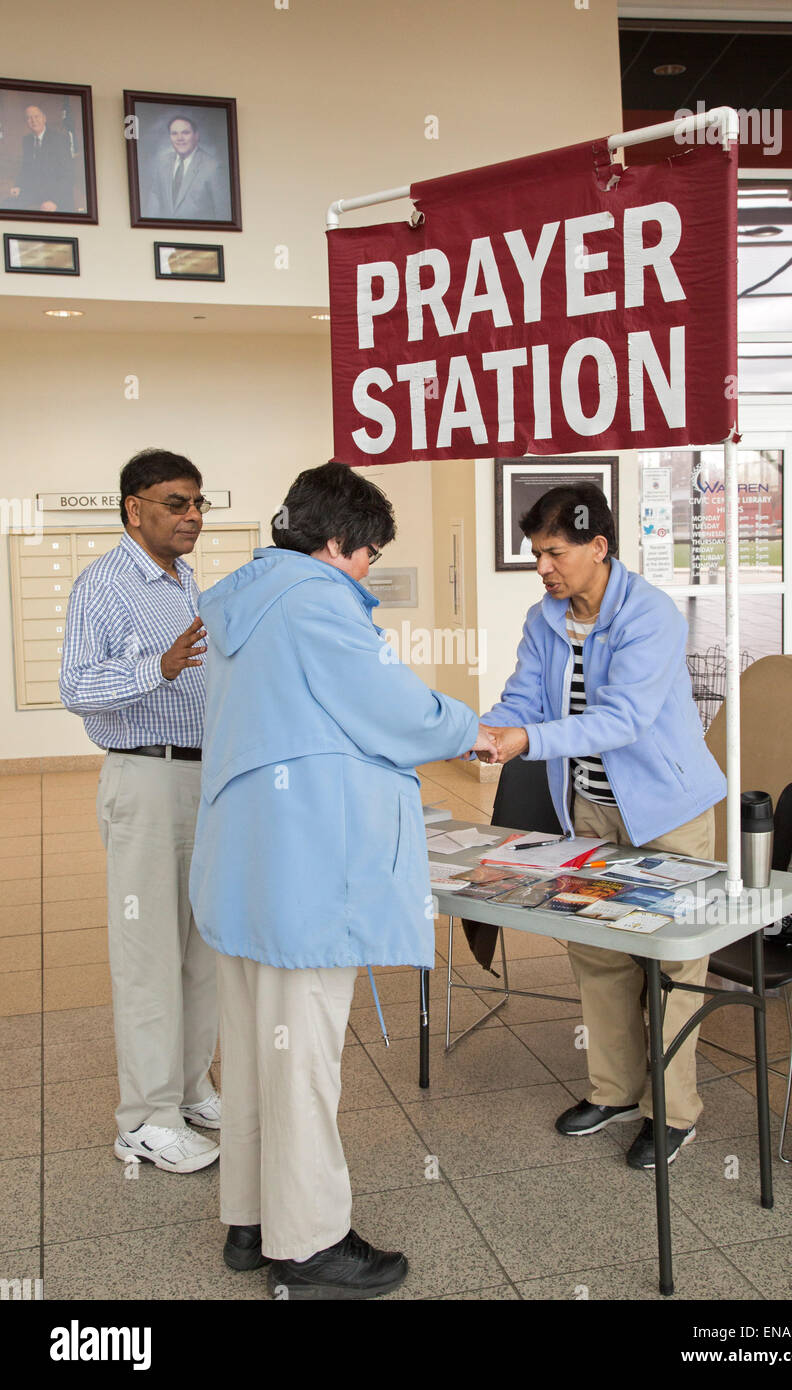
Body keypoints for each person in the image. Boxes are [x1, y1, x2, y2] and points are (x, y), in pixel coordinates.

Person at [189, 461, 496, 1300]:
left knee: (254, 1051)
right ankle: (311, 1244)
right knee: (303, 1057)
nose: (369, 572)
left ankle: (251, 1221)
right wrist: (473, 729)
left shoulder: (246, 598)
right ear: (334, 544)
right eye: (367, 556)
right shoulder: (317, 600)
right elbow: (390, 708)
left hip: (247, 865)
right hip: (305, 874)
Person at [480, 484, 727, 1169]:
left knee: (675, 961)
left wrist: (524, 742)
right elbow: (525, 694)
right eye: (536, 554)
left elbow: (623, 720)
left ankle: (673, 1112)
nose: (543, 567)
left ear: (597, 546)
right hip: (588, 810)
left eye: (553, 552)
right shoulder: (544, 618)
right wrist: (491, 727)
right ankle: (616, 1089)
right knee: (597, 951)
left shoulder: (650, 616)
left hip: (667, 813)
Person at [60, 449, 221, 1174]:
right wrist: (152, 668)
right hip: (145, 779)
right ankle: (145, 1120)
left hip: (200, 778)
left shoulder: (185, 580)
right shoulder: (104, 584)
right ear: (134, 508)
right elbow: (76, 687)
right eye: (175, 503)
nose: (191, 516)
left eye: (197, 503)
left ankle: (189, 1088)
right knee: (150, 955)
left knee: (200, 951)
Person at [144, 115, 229, 221]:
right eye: (174, 133)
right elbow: (153, 208)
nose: (180, 138)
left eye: (185, 133)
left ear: (196, 136)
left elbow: (223, 214)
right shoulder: (162, 163)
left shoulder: (213, 167)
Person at [4, 104, 74, 212]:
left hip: (55, 194)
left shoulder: (59, 139)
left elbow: (67, 175)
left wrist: (55, 201)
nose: (33, 121)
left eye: (36, 117)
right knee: (6, 205)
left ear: (44, 118)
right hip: (33, 191)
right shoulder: (27, 140)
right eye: (29, 118)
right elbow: (25, 168)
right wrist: (18, 186)